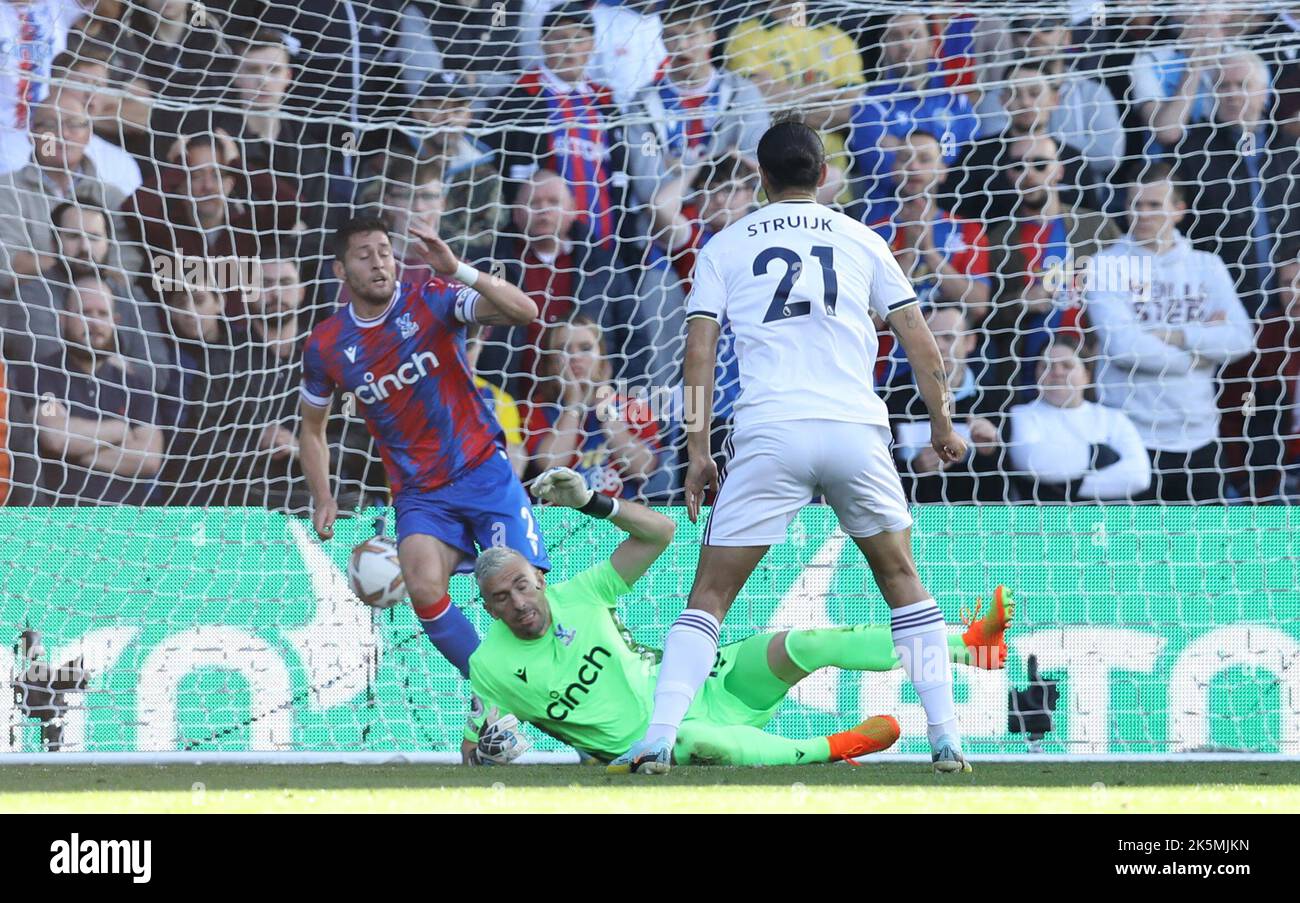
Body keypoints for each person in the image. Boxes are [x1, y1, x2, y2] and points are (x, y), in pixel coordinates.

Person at [611, 121, 975, 775]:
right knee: (901, 578)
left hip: (770, 431)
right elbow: (920, 338)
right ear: (824, 174)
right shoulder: (862, 238)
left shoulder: (724, 245)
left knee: (710, 594)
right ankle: (946, 737)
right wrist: (942, 425)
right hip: (854, 430)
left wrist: (698, 450)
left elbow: (698, 352)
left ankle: (658, 737)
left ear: (761, 177)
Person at [463, 466, 1016, 767]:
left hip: (699, 682)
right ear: (488, 608)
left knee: (803, 643)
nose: (519, 603)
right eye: (502, 598)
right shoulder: (491, 667)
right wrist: (486, 755)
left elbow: (659, 533)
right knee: (705, 743)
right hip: (658, 740)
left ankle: (968, 646)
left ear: (540, 577)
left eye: (522, 585)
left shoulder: (581, 594)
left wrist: (592, 501)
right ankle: (835, 748)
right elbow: (472, 750)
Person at [298, 215, 543, 680]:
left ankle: (552, 680)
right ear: (340, 270)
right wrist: (323, 495)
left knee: (522, 594)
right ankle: (492, 693)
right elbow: (312, 429)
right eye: (364, 255)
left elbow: (524, 311)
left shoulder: (433, 298)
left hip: (482, 470)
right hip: (419, 494)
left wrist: (458, 270)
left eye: (385, 252)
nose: (378, 263)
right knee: (423, 584)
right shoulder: (326, 346)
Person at [1085, 165, 1253, 502]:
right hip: (1129, 435)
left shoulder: (1207, 265)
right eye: (1135, 204)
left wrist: (1175, 336)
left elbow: (1241, 339)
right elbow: (1125, 349)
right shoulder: (1105, 265)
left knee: (1200, 536)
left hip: (1200, 436)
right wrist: (1200, 354)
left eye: (1153, 205)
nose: (1142, 214)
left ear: (1179, 210)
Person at [985, 134, 1121, 398]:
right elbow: (982, 315)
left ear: (1059, 170)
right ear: (1009, 175)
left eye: (1040, 164)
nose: (1029, 174)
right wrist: (1021, 302)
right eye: (1018, 166)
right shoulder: (998, 240)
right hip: (1025, 382)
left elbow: (1135, 288)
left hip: (1095, 376)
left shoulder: (1097, 226)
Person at [29, 275, 168, 506]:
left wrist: (76, 451)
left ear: (115, 321)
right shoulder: (42, 375)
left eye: (103, 314)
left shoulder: (136, 386)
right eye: (85, 312)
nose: (94, 322)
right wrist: (120, 429)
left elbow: (149, 459)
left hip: (126, 521)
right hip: (57, 520)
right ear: (63, 319)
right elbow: (56, 437)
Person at [625, 2, 768, 211]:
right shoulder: (642, 103)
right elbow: (648, 185)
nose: (682, 45)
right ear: (662, 40)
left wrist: (680, 169)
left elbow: (756, 166)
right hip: (670, 219)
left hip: (732, 213)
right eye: (672, 36)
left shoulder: (743, 93)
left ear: (711, 37)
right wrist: (717, 160)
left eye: (691, 35)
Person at [525, 314, 664, 500]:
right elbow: (550, 466)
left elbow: (643, 469)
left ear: (602, 359)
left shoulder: (632, 406)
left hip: (620, 512)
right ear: (549, 363)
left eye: (585, 348)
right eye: (563, 349)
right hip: (559, 515)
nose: (575, 357)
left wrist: (605, 412)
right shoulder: (534, 409)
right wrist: (573, 405)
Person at [884, 306, 1011, 504]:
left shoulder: (996, 399)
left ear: (969, 342)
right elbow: (877, 477)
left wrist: (991, 453)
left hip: (977, 519)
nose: (939, 347)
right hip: (912, 515)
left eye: (948, 338)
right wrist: (915, 469)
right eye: (930, 338)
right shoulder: (892, 397)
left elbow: (1011, 486)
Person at [1007, 335, 1152, 501]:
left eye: (1067, 366)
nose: (1057, 372)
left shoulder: (1114, 418)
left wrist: (1066, 486)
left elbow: (1138, 477)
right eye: (1046, 366)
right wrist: (1097, 454)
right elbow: (1032, 462)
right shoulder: (1020, 414)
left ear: (1086, 375)